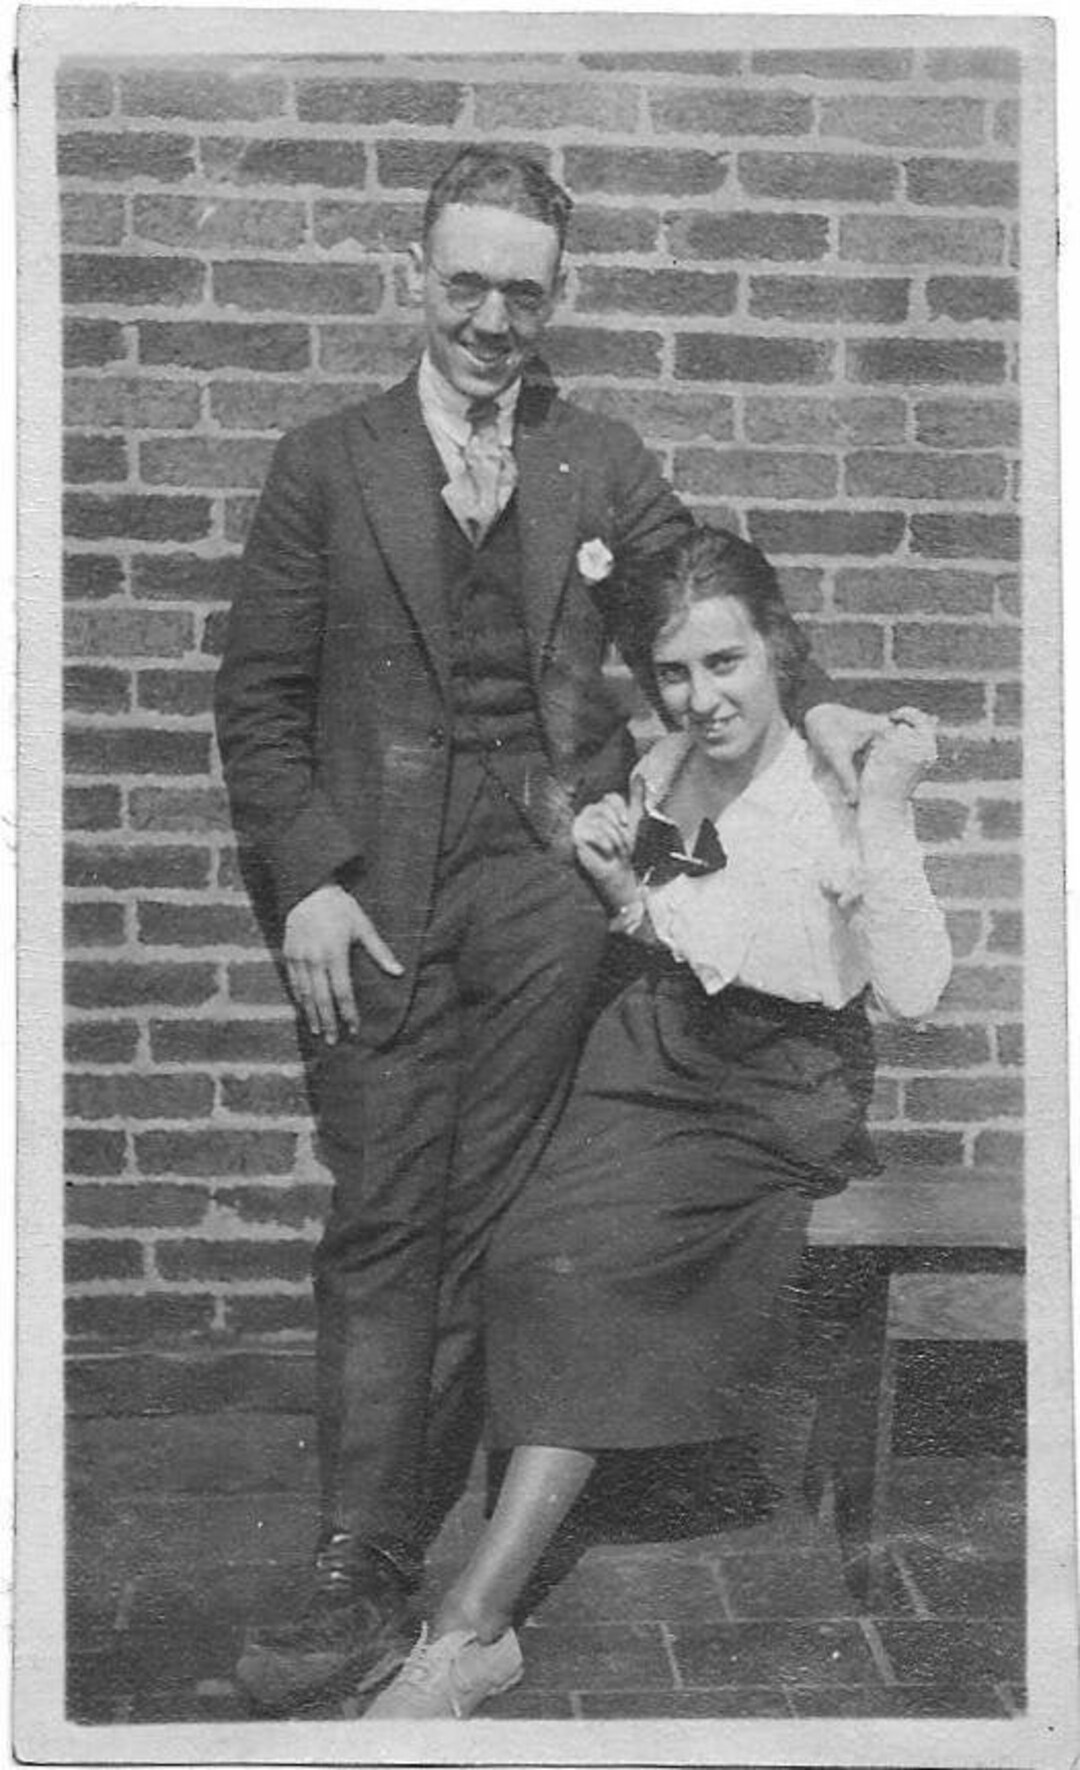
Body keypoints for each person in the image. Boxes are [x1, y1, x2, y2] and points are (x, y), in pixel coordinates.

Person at [213, 145, 883, 1714]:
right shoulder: (327, 464)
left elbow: (719, 612)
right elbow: (257, 702)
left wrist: (828, 719)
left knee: (492, 1199)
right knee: (387, 1204)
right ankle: (356, 1557)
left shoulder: (596, 459)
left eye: (524, 292)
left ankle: (427, 1545)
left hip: (543, 901)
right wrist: (309, 879)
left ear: (555, 295)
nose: (492, 320)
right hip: (373, 900)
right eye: (466, 284)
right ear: (416, 277)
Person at [363, 525, 952, 1720]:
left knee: (584, 1265)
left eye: (726, 664)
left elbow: (917, 988)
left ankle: (472, 1630)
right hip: (654, 1043)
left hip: (775, 1081)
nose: (702, 697)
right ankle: (526, 1526)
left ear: (779, 650)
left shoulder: (838, 784)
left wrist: (887, 811)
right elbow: (678, 920)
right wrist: (618, 880)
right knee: (524, 1244)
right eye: (675, 672)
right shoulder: (671, 758)